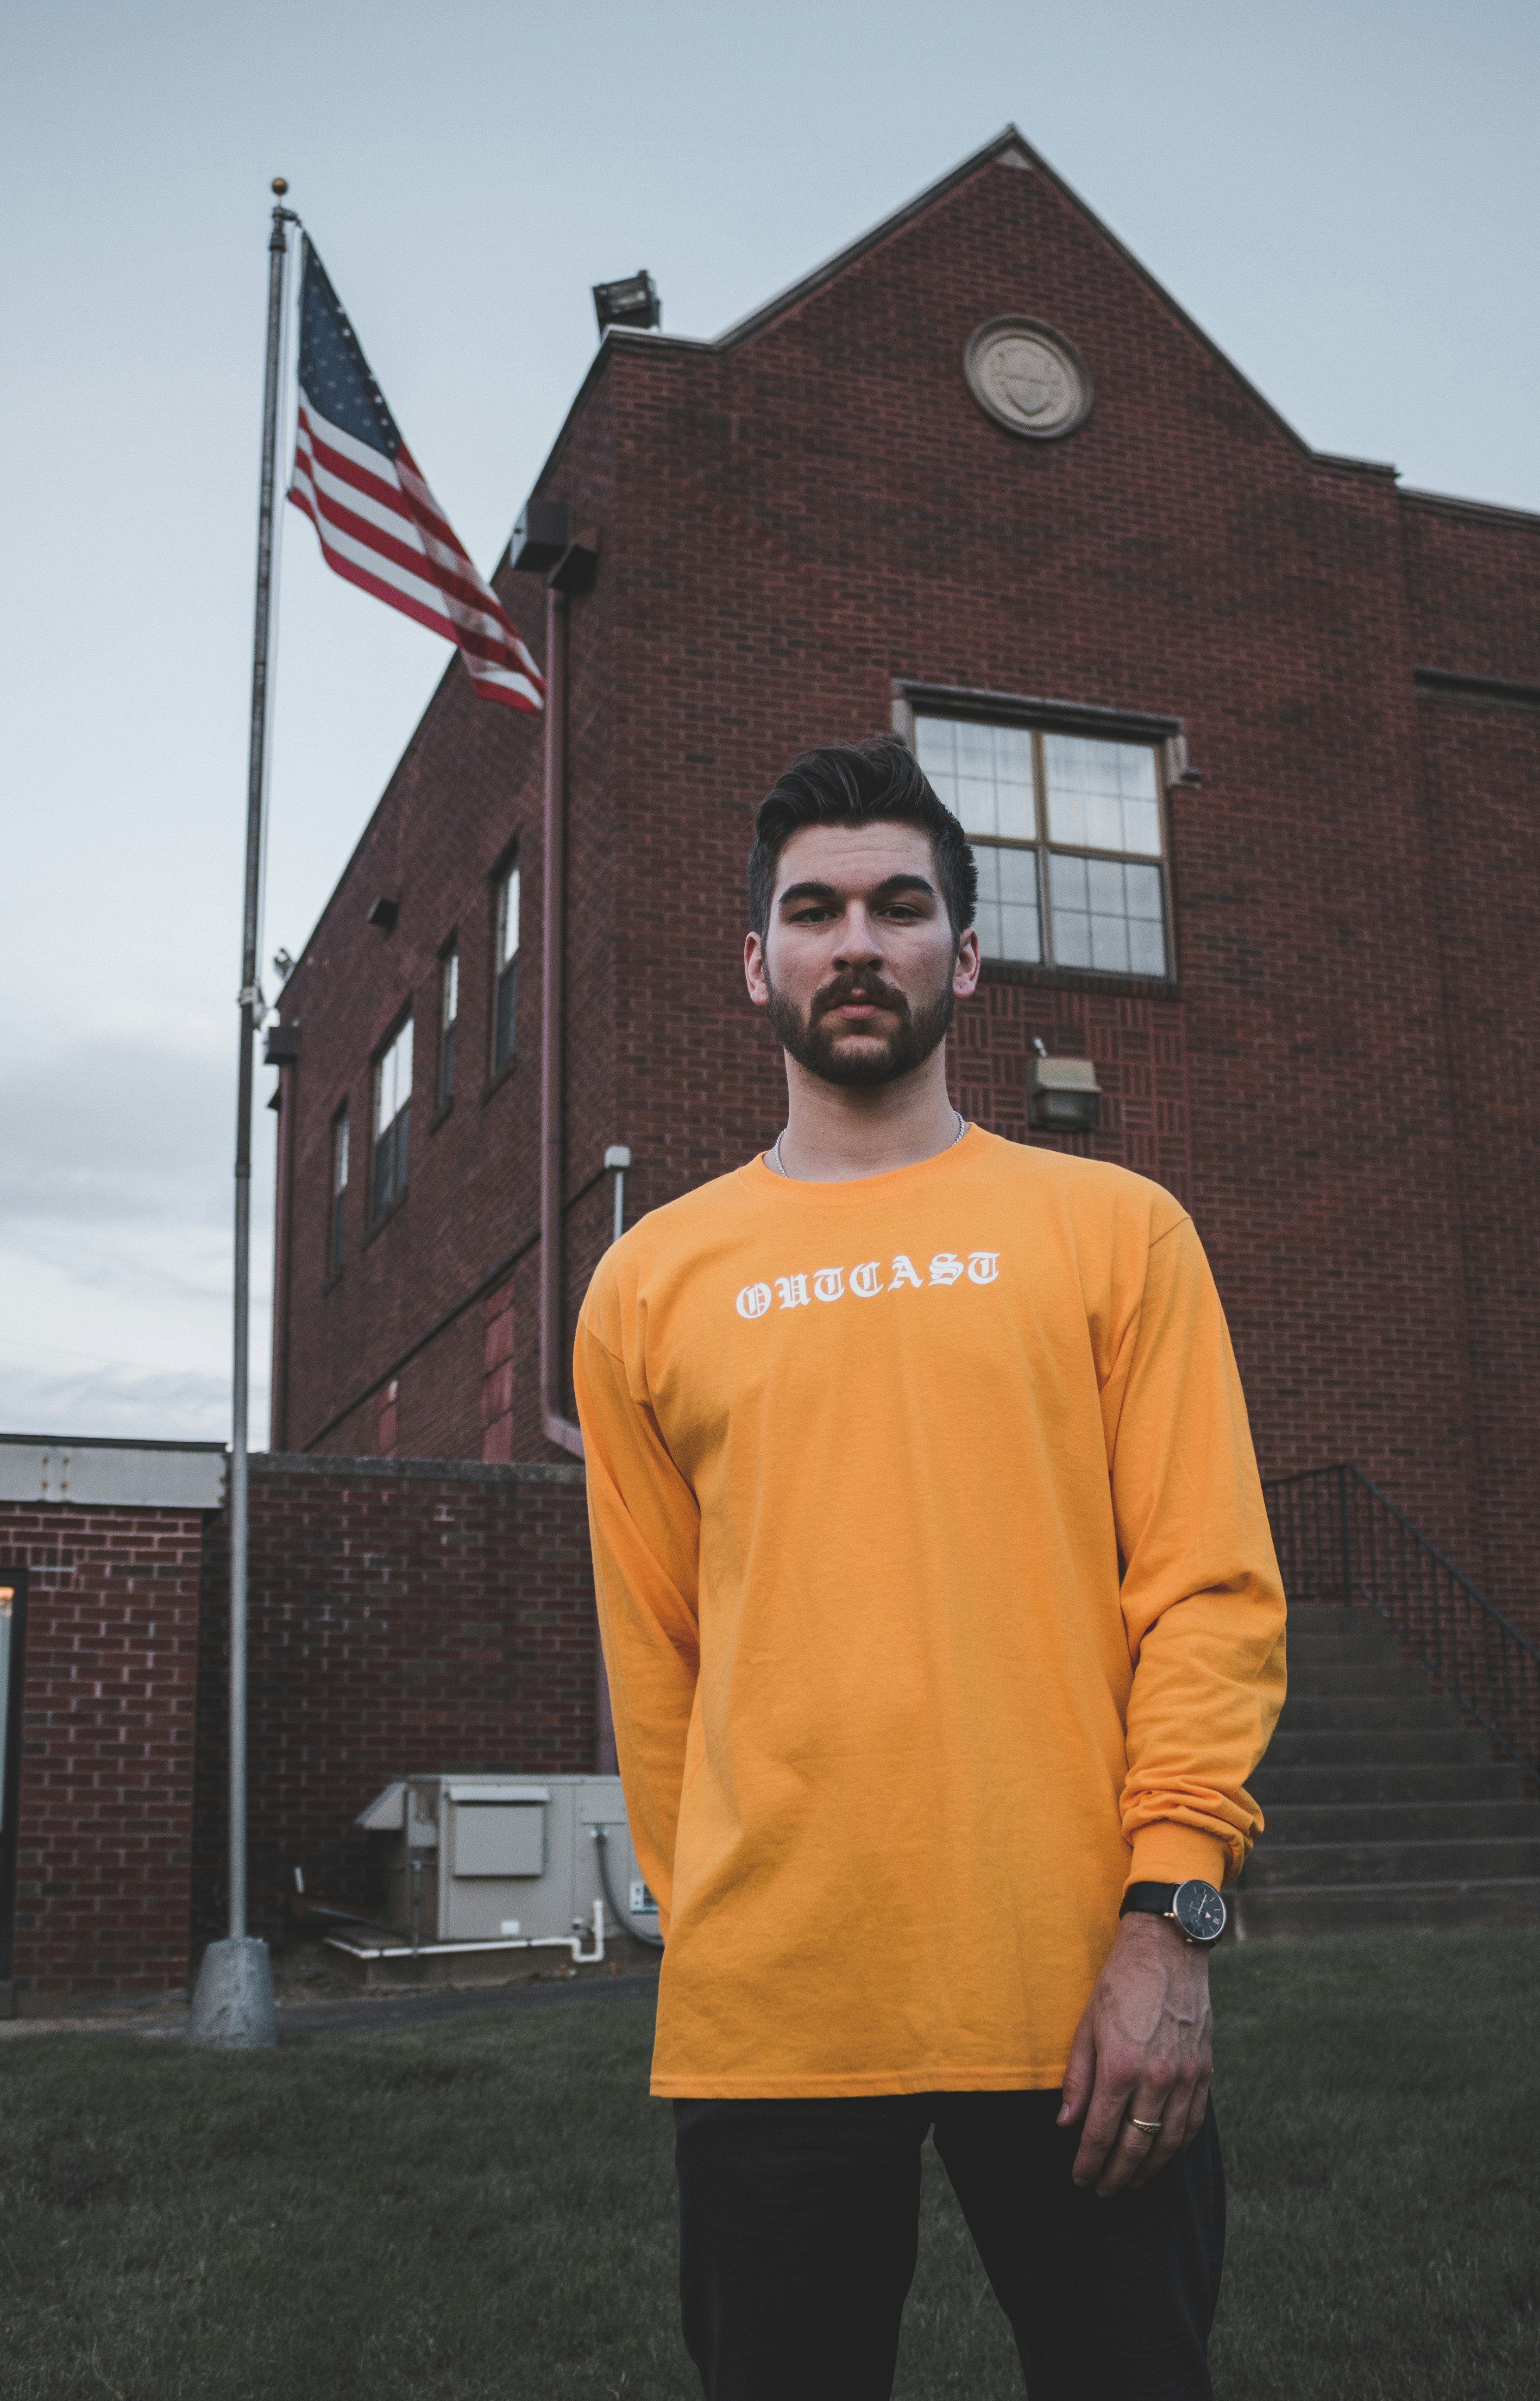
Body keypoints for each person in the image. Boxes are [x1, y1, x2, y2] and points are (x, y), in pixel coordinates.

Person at [573, 735, 1286, 2401]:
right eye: (812, 912)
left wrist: (1170, 1919)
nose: (857, 943)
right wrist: (709, 1927)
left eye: (902, 907)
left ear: (966, 956)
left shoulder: (1117, 1232)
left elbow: (1209, 1593)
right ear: (756, 964)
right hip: (774, 2014)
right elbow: (656, 1645)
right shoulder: (649, 1282)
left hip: (1079, 1989)